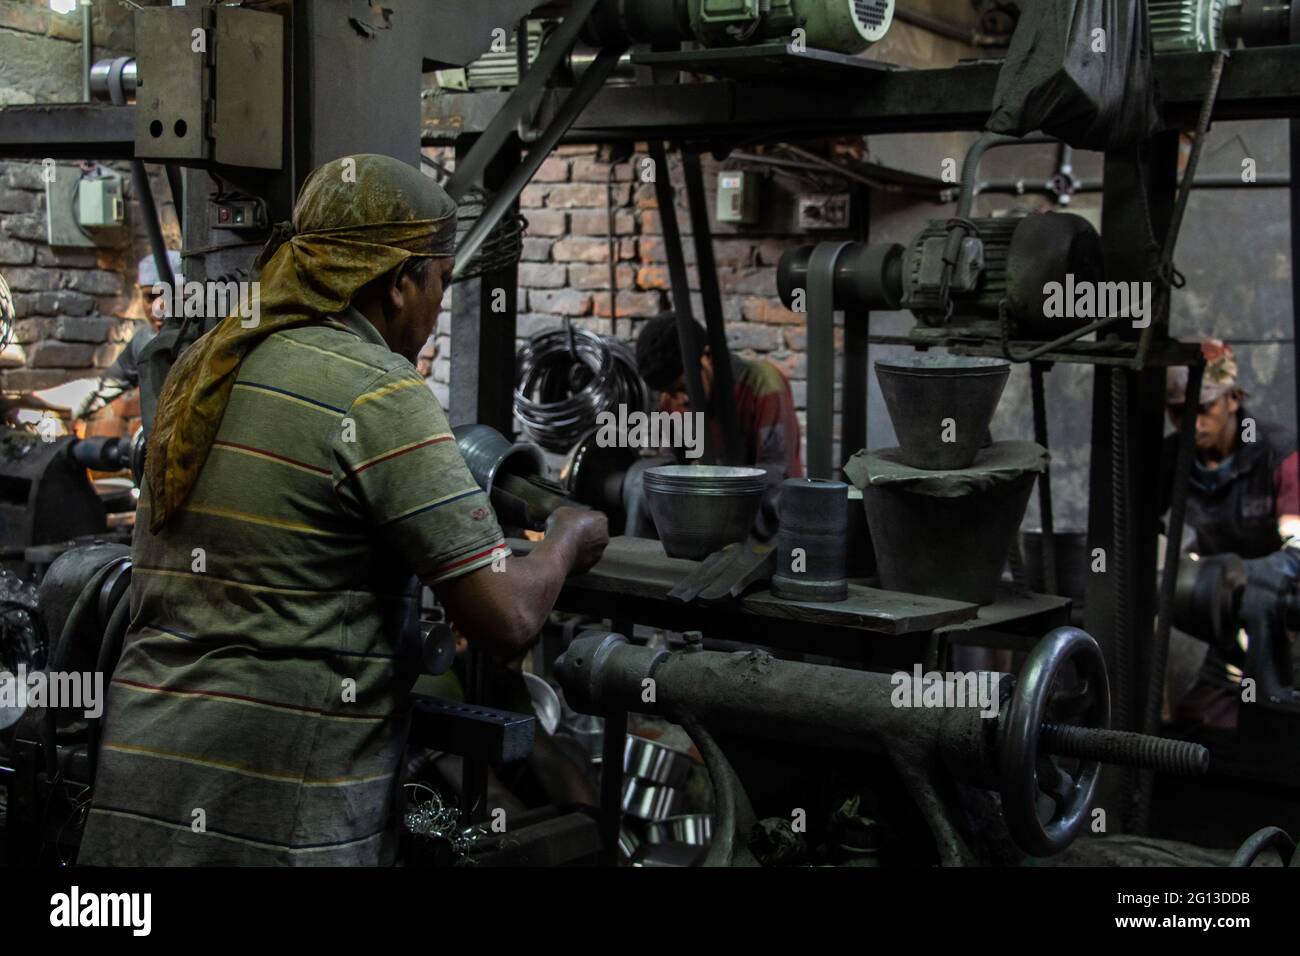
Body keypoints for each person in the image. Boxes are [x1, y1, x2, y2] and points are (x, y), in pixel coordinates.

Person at [79, 154, 608, 866]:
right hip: (275, 802)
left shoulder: (210, 361)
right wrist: (568, 535)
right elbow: (506, 619)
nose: (435, 312)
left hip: (145, 772)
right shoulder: (378, 390)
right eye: (439, 285)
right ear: (397, 284)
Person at [1160, 337, 1299, 730]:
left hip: (1283, 611)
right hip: (1222, 614)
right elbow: (1134, 532)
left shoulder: (1277, 450)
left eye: (1202, 409)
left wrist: (1240, 577)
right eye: (1177, 412)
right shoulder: (1173, 458)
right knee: (1198, 720)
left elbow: (1298, 551)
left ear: (1233, 399)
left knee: (1276, 722)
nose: (1192, 423)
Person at [635, 312, 803, 536]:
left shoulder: (763, 385)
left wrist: (711, 481)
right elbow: (671, 466)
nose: (678, 400)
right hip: (702, 521)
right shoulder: (672, 402)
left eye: (683, 389)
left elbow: (777, 474)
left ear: (707, 357)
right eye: (668, 393)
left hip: (764, 524)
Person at [73, 251, 182, 421]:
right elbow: (106, 385)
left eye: (166, 296)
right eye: (150, 297)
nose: (158, 308)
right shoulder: (144, 340)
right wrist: (36, 400)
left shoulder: (201, 337)